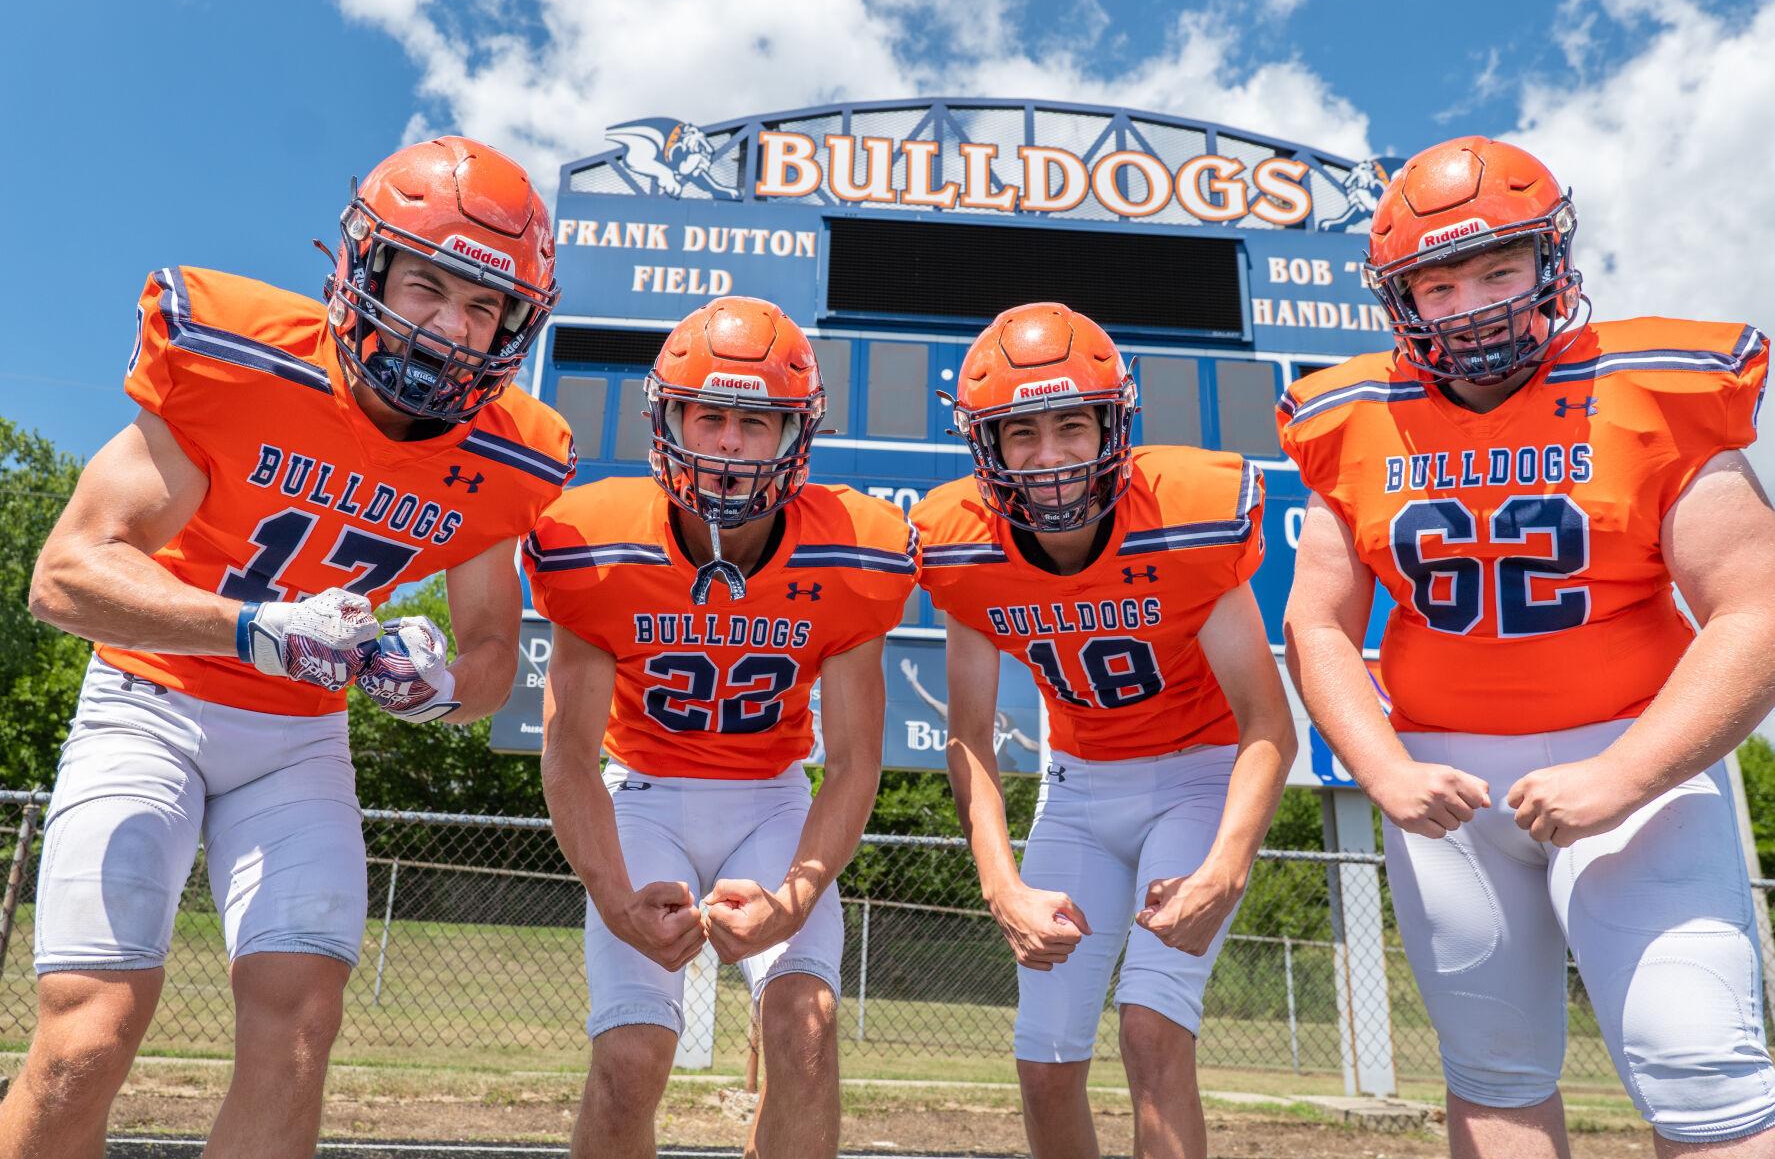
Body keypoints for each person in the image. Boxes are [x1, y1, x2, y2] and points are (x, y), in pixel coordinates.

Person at [8, 136, 575, 1159]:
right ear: (364, 271)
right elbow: (67, 575)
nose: (450, 326)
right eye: (428, 284)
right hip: (153, 696)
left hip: (296, 740)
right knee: (88, 1030)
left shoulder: (506, 455)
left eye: (482, 306)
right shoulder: (241, 359)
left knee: (301, 1026)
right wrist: (246, 626)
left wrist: (440, 682)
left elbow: (493, 653)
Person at [1279, 135, 1775, 1157]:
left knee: (1696, 1066)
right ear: (1397, 298)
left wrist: (1621, 773)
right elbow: (1314, 622)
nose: (1471, 304)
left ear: (1551, 260)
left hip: (1637, 765)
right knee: (1493, 1077)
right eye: (1439, 280)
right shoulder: (1347, 416)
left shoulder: (1650, 385)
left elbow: (1754, 609)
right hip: (1446, 786)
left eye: (1497, 268)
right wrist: (1380, 767)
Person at [525, 296, 918, 1159]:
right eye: (709, 415)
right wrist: (608, 891)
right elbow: (568, 755)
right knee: (630, 1060)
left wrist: (798, 895)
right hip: (644, 796)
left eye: (756, 420)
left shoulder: (855, 549)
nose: (730, 443)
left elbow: (852, 763)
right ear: (668, 420)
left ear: (795, 435)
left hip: (771, 802)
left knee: (805, 1031)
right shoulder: (594, 541)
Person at [911, 302, 1297, 1159]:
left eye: (1070, 427)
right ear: (987, 446)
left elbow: (1267, 720)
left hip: (1196, 778)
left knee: (1153, 1033)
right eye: (1020, 434)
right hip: (1079, 790)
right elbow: (971, 731)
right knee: (1044, 1060)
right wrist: (1000, 885)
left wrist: (1228, 864)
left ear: (1111, 427)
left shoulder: (1187, 514)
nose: (1047, 458)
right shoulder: (959, 545)